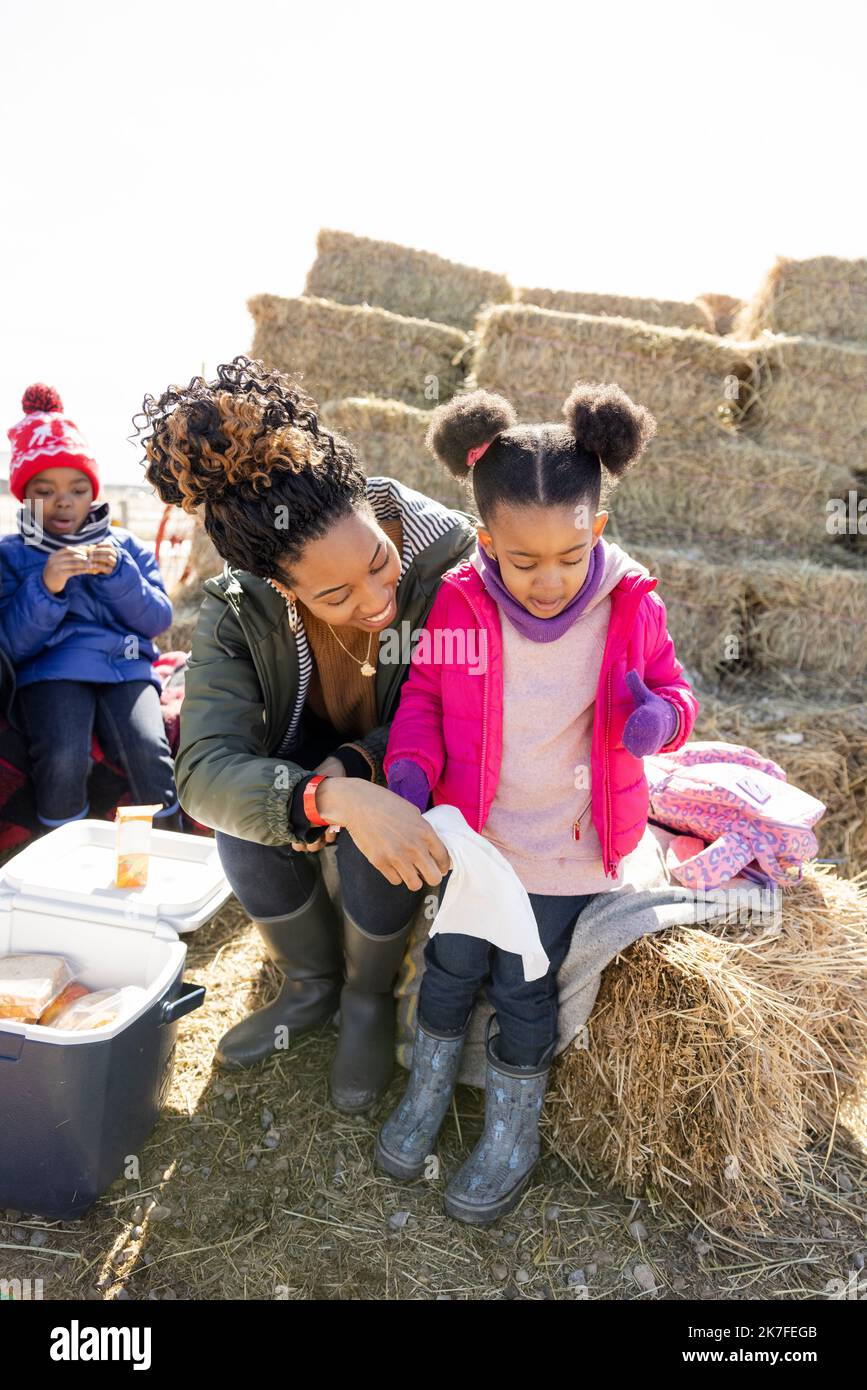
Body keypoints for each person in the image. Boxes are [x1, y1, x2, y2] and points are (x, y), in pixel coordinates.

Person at [376, 381, 700, 1224]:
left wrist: (658, 718)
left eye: (567, 555)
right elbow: (422, 699)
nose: (547, 579)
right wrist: (410, 770)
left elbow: (674, 690)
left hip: (564, 842)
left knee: (523, 984)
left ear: (595, 528)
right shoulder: (459, 599)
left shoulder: (630, 604)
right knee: (448, 966)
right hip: (474, 838)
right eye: (521, 562)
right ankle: (425, 1093)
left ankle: (510, 1132)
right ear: (486, 542)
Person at [135, 355, 476, 1111]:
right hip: (308, 770)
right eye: (335, 594)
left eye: (380, 565)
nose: (378, 599)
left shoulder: (451, 557)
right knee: (249, 819)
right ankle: (309, 985)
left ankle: (366, 995)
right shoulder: (236, 606)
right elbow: (203, 771)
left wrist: (357, 768)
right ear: (279, 586)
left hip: (413, 756)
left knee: (377, 819)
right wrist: (326, 796)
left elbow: (466, 706)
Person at [0, 384, 180, 833]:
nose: (64, 501)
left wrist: (120, 577)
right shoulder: (11, 554)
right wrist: (47, 586)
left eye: (78, 489)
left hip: (126, 666)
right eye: (44, 490)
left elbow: (158, 620)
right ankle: (60, 850)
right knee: (62, 754)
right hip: (50, 671)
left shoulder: (125, 546)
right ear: (23, 496)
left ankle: (167, 847)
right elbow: (9, 646)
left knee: (147, 749)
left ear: (92, 492)